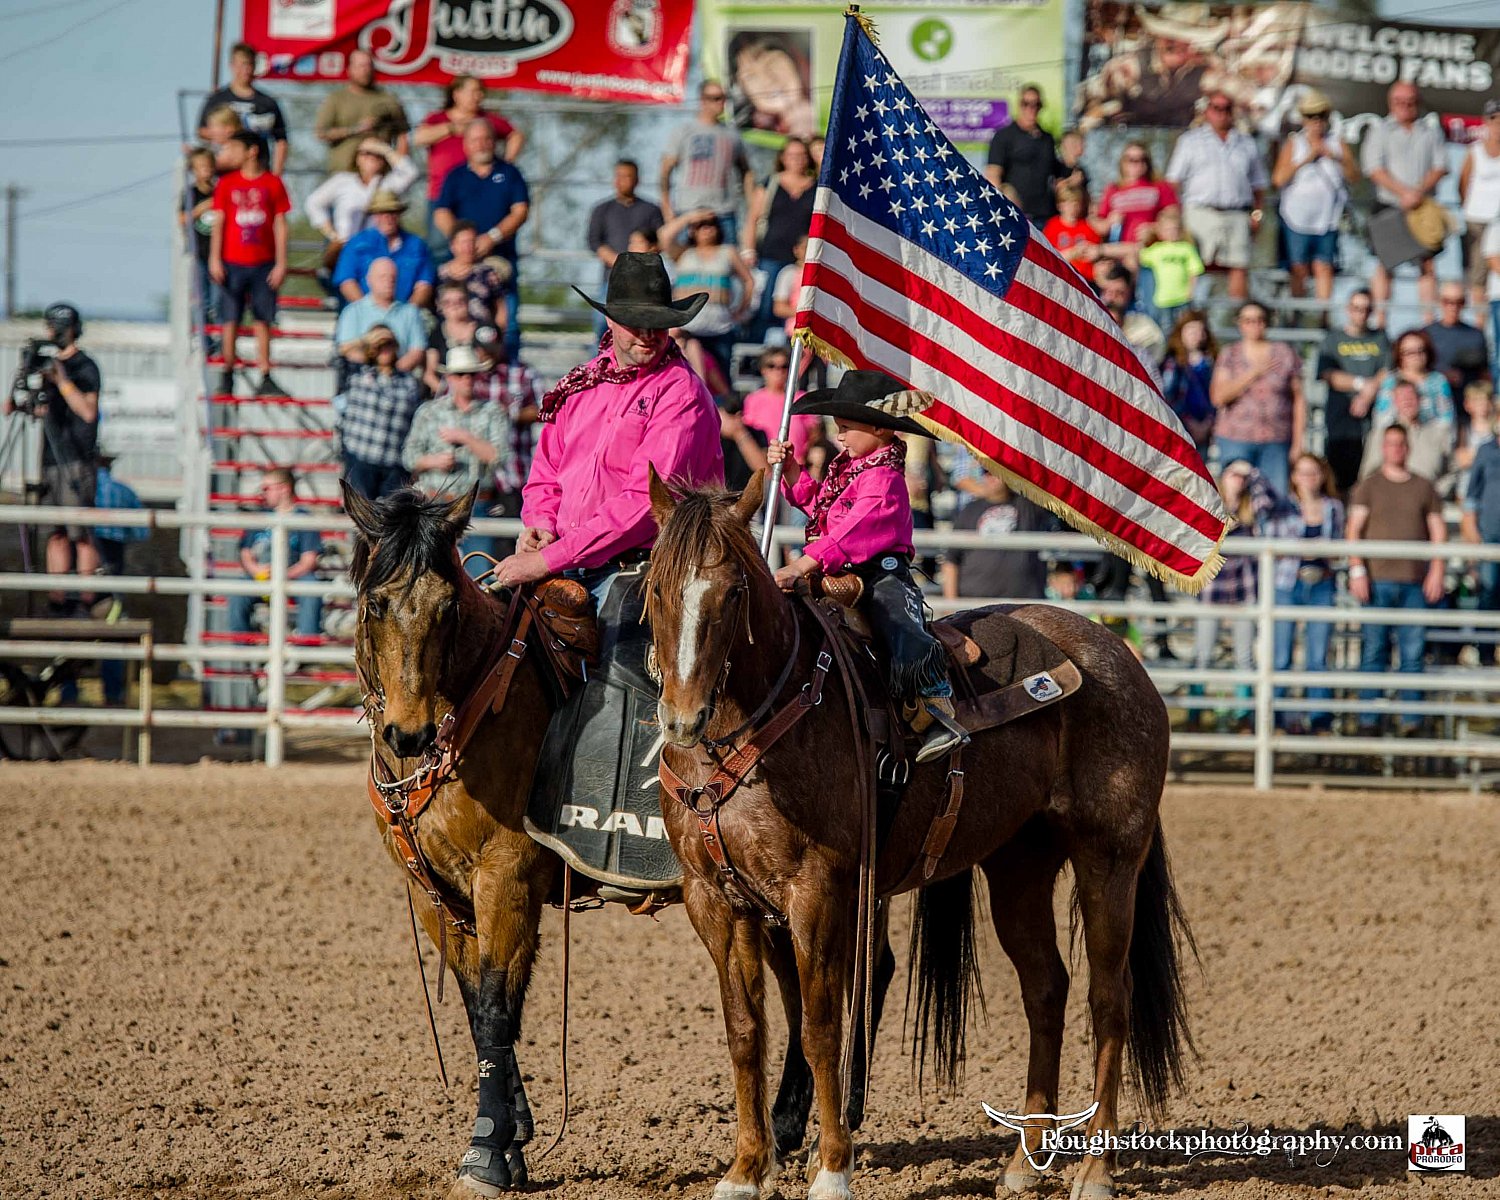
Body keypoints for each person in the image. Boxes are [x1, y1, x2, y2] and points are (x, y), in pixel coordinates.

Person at [488, 251, 725, 602]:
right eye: (635, 322)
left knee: (619, 652)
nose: (647, 334)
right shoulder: (583, 382)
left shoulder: (682, 394)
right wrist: (540, 523)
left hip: (647, 567)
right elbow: (546, 472)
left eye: (657, 323)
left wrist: (547, 558)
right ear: (610, 321)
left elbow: (645, 504)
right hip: (569, 558)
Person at [766, 370, 966, 762]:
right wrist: (791, 470)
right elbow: (823, 509)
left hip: (880, 572)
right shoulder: (850, 470)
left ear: (879, 428)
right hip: (838, 567)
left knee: (899, 622)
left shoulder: (884, 478)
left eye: (846, 428)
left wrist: (802, 564)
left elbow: (854, 531)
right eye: (838, 428)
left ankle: (936, 706)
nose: (839, 436)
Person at [1347, 423, 1447, 735]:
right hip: (1377, 581)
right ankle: (1368, 720)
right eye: (1390, 444)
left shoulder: (1423, 486)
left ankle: (1411, 722)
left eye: (1401, 444)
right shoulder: (1370, 485)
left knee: (1413, 654)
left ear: (1408, 447)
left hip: (1414, 582)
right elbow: (1354, 529)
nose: (1396, 449)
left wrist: (1437, 570)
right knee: (1374, 651)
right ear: (1383, 447)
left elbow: (1438, 530)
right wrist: (1357, 569)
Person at [3, 303, 101, 611]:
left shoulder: (85, 367)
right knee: (55, 532)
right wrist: (19, 400)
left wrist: (61, 380)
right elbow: (42, 409)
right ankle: (57, 600)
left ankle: (87, 597)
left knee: (80, 532)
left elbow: (87, 411)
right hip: (49, 460)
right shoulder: (47, 366)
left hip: (76, 460)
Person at [402, 344, 513, 570]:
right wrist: (433, 461)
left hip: (477, 505)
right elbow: (409, 456)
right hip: (436, 502)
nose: (467, 379)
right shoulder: (429, 411)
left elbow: (499, 456)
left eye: (471, 374)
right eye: (461, 374)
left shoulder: (492, 411)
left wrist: (466, 438)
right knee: (430, 574)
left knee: (481, 575)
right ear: (449, 378)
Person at [432, 120, 530, 360]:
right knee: (446, 321)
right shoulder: (455, 176)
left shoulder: (509, 173)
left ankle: (508, 375)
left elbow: (520, 211)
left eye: (486, 138)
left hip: (500, 261)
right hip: (460, 267)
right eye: (475, 140)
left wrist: (492, 237)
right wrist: (461, 242)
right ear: (466, 145)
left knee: (508, 327)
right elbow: (441, 212)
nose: (481, 145)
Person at [1191, 462, 1278, 729]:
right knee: (1202, 654)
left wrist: (1254, 474)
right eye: (1233, 475)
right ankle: (1195, 715)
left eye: (1243, 477)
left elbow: (1270, 503)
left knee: (1245, 656)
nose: (1238, 480)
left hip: (1243, 591)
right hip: (1212, 591)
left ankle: (1243, 716)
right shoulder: (1209, 503)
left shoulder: (1252, 509)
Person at [209, 132, 290, 398]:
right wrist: (215, 257)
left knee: (262, 318)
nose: (229, 152)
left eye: (234, 147)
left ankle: (265, 373)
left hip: (263, 263)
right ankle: (228, 370)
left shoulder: (273, 184)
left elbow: (280, 223)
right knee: (230, 318)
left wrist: (281, 262)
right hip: (232, 262)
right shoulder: (226, 184)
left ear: (252, 151)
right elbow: (219, 222)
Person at [1165, 91, 1268, 300]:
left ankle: (1238, 320)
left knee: (1239, 265)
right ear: (1206, 111)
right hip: (1200, 212)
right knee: (1196, 266)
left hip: (1237, 213)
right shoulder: (1190, 141)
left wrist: (1257, 214)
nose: (1222, 114)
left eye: (1227, 108)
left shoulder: (1247, 143)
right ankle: (1193, 321)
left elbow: (1259, 184)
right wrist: (1176, 214)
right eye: (1216, 108)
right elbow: (1173, 181)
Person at [1269, 454, 1344, 733]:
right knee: (1281, 655)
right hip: (1289, 582)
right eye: (1303, 473)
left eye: (1314, 473)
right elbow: (1274, 540)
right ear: (1294, 477)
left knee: (1318, 655)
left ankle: (1319, 718)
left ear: (1322, 476)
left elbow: (1339, 546)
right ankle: (1277, 717)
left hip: (1321, 583)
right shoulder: (1283, 506)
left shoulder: (1333, 508)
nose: (1309, 479)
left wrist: (1324, 553)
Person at [1361, 81, 1447, 322]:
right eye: (1400, 101)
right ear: (1391, 103)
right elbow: (1374, 169)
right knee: (1385, 264)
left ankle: (1429, 321)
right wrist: (1403, 193)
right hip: (1389, 205)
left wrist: (1417, 192)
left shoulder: (1430, 132)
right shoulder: (1379, 131)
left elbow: (1440, 167)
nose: (1405, 106)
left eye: (1410, 101)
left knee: (1428, 264)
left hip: (1422, 208)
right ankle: (1380, 321)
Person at [1209, 300, 1304, 497]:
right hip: (1236, 438)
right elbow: (1219, 396)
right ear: (1240, 324)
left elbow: (1298, 399)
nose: (1255, 325)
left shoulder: (1284, 353)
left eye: (1260, 320)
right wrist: (1254, 373)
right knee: (1235, 499)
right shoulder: (1230, 354)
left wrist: (1298, 442)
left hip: (1276, 440)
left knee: (1274, 499)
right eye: (1249, 321)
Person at [1271, 89, 1356, 304]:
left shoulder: (1337, 143)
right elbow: (1278, 179)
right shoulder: (1294, 143)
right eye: (1311, 116)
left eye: (1321, 116)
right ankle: (1298, 316)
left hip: (1328, 218)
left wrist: (1333, 156)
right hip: (1296, 219)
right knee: (1298, 267)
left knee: (1324, 266)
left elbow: (1355, 176)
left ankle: (1322, 318)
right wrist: (1306, 159)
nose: (1316, 122)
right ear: (1303, 119)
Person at [414, 73, 524, 236]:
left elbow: (516, 135)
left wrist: (506, 163)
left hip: (478, 197)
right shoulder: (437, 119)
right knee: (440, 249)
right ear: (457, 94)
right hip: (441, 196)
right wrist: (451, 128)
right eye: (474, 91)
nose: (478, 96)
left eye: (480, 92)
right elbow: (419, 138)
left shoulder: (487, 120)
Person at [662, 210, 754, 391]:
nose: (706, 229)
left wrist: (741, 310)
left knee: (722, 380)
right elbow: (664, 237)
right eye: (701, 225)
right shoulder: (683, 253)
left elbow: (749, 281)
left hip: (719, 327)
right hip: (688, 328)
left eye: (711, 224)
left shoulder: (728, 252)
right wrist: (690, 217)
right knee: (687, 378)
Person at [470, 322, 541, 552]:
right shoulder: (469, 375)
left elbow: (544, 409)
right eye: (482, 349)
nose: (486, 354)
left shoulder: (523, 372)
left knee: (506, 542)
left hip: (513, 470)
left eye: (491, 348)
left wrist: (511, 414)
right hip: (476, 473)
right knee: (476, 541)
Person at [232, 468, 323, 642]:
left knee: (312, 589)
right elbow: (246, 553)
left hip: (294, 576)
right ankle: (241, 650)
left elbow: (308, 560)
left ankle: (306, 648)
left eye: (267, 488)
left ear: (284, 489)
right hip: (261, 575)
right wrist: (257, 570)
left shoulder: (304, 518)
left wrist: (282, 575)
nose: (262, 493)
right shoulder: (259, 517)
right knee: (238, 591)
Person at [659, 80, 754, 242]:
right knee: (686, 261)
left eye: (723, 98)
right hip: (688, 210)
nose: (721, 103)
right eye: (715, 98)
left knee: (727, 264)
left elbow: (746, 171)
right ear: (702, 100)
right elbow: (666, 170)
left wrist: (752, 207)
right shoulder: (684, 131)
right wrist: (667, 207)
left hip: (724, 212)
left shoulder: (732, 134)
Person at [743, 137, 815, 342]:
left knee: (796, 306)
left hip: (802, 259)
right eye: (792, 155)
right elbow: (752, 218)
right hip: (770, 254)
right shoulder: (770, 184)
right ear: (783, 158)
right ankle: (757, 352)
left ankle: (790, 353)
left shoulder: (816, 187)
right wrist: (749, 250)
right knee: (765, 307)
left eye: (801, 155)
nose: (797, 160)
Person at [339, 325, 423, 500]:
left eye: (389, 344)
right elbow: (335, 356)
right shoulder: (357, 373)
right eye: (379, 345)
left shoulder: (409, 382)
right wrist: (365, 340)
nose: (384, 350)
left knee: (391, 519)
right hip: (360, 458)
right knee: (360, 515)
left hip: (395, 462)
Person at [1316, 291, 1389, 494]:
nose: (1361, 313)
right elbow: (1328, 374)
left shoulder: (1380, 338)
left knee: (1369, 474)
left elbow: (1387, 370)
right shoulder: (1333, 338)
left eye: (1366, 309)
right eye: (1357, 308)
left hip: (1373, 413)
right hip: (1341, 415)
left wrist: (1367, 394)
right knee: (1339, 475)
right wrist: (1361, 385)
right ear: (1348, 310)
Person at [942, 472, 1054, 600]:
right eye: (986, 472)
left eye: (996, 471)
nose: (991, 477)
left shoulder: (1029, 506)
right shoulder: (969, 510)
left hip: (1023, 603)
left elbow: (1044, 481)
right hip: (976, 603)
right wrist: (950, 604)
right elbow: (951, 560)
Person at [587, 160, 665, 337]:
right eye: (618, 176)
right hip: (612, 280)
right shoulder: (602, 210)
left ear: (637, 180)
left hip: (646, 283)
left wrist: (640, 262)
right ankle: (601, 364)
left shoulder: (651, 210)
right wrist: (621, 263)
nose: (621, 180)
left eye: (627, 176)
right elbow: (594, 242)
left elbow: (661, 241)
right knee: (603, 326)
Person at [305, 139, 419, 248]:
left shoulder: (389, 183)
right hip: (347, 246)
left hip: (378, 247)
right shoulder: (342, 180)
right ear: (357, 158)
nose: (371, 157)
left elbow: (411, 172)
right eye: (365, 153)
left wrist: (384, 149)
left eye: (376, 154)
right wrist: (333, 235)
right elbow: (313, 203)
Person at [332, 190, 436, 308]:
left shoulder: (417, 245)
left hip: (404, 313)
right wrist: (366, 310)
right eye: (382, 212)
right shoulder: (356, 244)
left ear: (399, 214)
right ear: (374, 215)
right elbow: (347, 282)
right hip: (363, 315)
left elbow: (424, 284)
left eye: (392, 212)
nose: (387, 217)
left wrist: (407, 313)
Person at [197, 42, 289, 174]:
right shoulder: (217, 99)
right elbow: (201, 131)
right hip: (225, 174)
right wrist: (226, 133)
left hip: (258, 173)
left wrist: (276, 175)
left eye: (250, 64)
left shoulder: (267, 102)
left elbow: (281, 140)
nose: (246, 69)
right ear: (232, 66)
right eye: (242, 64)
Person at [313, 48, 409, 174]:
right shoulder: (336, 99)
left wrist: (399, 166)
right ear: (349, 70)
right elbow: (321, 133)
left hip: (380, 176)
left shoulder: (389, 100)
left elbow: (403, 135)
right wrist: (355, 129)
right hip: (343, 173)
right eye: (361, 66)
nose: (366, 70)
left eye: (369, 65)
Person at [984, 83, 1064, 225]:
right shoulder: (1004, 136)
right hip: (1015, 215)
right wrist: (999, 209)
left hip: (1044, 216)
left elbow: (1057, 176)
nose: (1031, 108)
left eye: (1036, 104)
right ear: (1019, 105)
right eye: (1026, 103)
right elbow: (993, 174)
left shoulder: (1047, 139)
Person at [334, 258, 427, 376]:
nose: (389, 281)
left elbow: (417, 352)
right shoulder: (352, 312)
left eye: (393, 277)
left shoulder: (411, 312)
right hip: (362, 380)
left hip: (400, 382)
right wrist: (376, 371)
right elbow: (347, 350)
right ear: (369, 280)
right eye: (383, 277)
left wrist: (392, 372)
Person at [1358, 378, 1452, 491]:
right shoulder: (1380, 435)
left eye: (1411, 396)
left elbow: (1451, 470)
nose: (1407, 401)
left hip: (1429, 499)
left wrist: (1435, 492)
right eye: (1402, 397)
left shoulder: (1438, 434)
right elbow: (1368, 474)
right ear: (1395, 402)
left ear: (1420, 400)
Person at [1094, 141, 1179, 247]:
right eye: (1131, 160)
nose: (1137, 164)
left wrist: (1154, 228)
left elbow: (1174, 216)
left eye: (1142, 159)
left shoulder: (1160, 187)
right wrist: (1109, 222)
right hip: (1120, 250)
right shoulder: (1113, 189)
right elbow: (1098, 224)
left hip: (1152, 248)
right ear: (1123, 163)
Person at [1368, 330, 1454, 433]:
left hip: (1430, 440)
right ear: (1400, 355)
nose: (1416, 356)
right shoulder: (1390, 382)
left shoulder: (1439, 381)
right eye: (1409, 352)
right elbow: (1381, 418)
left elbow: (1447, 418)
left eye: (1421, 350)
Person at [1459, 99, 1500, 311]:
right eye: (1494, 120)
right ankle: (1479, 324)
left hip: (1499, 223)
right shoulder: (1474, 152)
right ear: (1486, 122)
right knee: (1477, 276)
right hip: (1477, 220)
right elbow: (1463, 183)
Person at [1421, 281, 1491, 405]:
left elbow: (1484, 374)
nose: (1453, 306)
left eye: (1459, 302)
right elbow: (1416, 371)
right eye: (1447, 301)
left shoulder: (1476, 335)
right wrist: (1441, 376)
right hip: (1434, 404)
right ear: (1440, 301)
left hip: (1469, 405)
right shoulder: (1426, 334)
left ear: (1464, 303)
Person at [741, 348, 817, 461]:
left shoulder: (801, 398)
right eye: (772, 366)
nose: (778, 370)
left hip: (797, 466)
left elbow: (814, 432)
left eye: (784, 366)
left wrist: (806, 455)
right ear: (763, 370)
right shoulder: (753, 399)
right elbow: (749, 433)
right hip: (765, 465)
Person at [1161, 310, 1217, 457]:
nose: (1196, 335)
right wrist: (1189, 422)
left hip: (1206, 426)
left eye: (1200, 331)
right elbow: (1169, 395)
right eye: (1191, 330)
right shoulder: (1172, 364)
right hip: (1181, 427)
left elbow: (1216, 396)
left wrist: (1208, 423)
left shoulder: (1211, 363)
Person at [1136, 208, 1204, 328]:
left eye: (1175, 229)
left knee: (1183, 327)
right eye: (1168, 230)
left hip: (1183, 298)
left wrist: (1191, 291)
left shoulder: (1186, 248)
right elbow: (1141, 255)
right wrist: (1146, 235)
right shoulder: (1157, 249)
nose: (1172, 232)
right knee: (1166, 328)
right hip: (1163, 299)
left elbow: (1194, 271)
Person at [1461, 424, 1500, 625]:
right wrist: (1471, 529)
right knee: (1489, 587)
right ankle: (1485, 650)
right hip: (1490, 533)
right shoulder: (1486, 450)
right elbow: (1472, 495)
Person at [181, 146, 220, 349]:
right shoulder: (190, 193)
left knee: (218, 300)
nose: (206, 170)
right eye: (201, 167)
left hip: (220, 254)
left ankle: (220, 339)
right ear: (193, 170)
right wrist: (200, 209)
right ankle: (207, 342)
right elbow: (182, 219)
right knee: (203, 300)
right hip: (200, 253)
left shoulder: (220, 190)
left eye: (208, 166)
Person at [1097, 262, 1166, 374]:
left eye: (1119, 292)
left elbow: (1155, 350)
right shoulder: (1095, 316)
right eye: (1108, 292)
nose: (1112, 297)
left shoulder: (1143, 322)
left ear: (1129, 292)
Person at [438, 222, 508, 327]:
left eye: (472, 242)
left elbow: (500, 306)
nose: (468, 247)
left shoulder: (487, 273)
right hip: (446, 334)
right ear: (452, 245)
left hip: (481, 334)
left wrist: (499, 332)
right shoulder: (440, 274)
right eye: (463, 243)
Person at [424, 281, 481, 392]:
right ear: (439, 305)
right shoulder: (436, 333)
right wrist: (447, 395)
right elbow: (429, 374)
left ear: (468, 302)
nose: (455, 306)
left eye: (460, 301)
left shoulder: (481, 329)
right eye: (447, 302)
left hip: (479, 390)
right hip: (446, 393)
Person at [1043, 184, 1102, 285]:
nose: (1073, 208)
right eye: (1068, 203)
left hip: (1085, 279)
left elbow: (1095, 251)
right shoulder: (1052, 226)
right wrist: (1073, 252)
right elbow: (1048, 257)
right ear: (1060, 205)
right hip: (1062, 277)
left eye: (1076, 204)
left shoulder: (1088, 226)